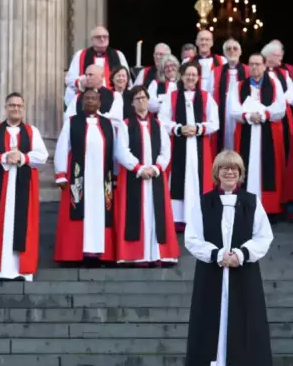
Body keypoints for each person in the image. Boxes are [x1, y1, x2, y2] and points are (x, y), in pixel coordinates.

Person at [181, 150, 276, 366]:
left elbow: (263, 237)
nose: (229, 172)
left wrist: (241, 255)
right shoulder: (203, 203)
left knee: (242, 329)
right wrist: (216, 254)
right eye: (224, 168)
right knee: (213, 331)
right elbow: (192, 238)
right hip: (211, 275)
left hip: (243, 274)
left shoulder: (251, 202)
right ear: (216, 172)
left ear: (240, 173)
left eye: (234, 168)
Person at [0, 92, 49, 281]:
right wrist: (3, 157)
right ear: (5, 108)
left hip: (24, 187)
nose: (15, 108)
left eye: (19, 106)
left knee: (22, 226)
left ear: (23, 109)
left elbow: (42, 156)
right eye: (12, 105)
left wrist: (23, 157)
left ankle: (20, 271)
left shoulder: (32, 131)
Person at [115, 86, 180, 266]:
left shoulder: (158, 124)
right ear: (132, 103)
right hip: (134, 178)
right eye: (137, 98)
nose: (141, 101)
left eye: (144, 98)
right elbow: (121, 150)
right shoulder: (125, 124)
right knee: (135, 215)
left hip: (155, 177)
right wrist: (138, 168)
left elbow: (166, 150)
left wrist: (157, 168)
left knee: (156, 214)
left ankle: (158, 254)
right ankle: (137, 255)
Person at [54, 88, 116, 265]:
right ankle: (75, 253)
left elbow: (115, 150)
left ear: (99, 102)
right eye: (87, 98)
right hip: (79, 176)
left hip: (102, 177)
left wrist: (116, 175)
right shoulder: (72, 122)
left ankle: (99, 254)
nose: (90, 101)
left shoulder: (107, 123)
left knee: (100, 213)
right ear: (81, 103)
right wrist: (61, 174)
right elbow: (62, 147)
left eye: (93, 98)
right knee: (79, 211)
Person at [158, 62, 219, 229]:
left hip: (200, 146)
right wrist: (179, 129)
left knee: (198, 179)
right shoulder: (172, 96)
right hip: (178, 145)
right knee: (178, 180)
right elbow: (162, 121)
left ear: (198, 77)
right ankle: (177, 219)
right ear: (181, 76)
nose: (190, 77)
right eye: (187, 74)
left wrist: (198, 128)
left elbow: (215, 122)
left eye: (194, 74)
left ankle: (199, 218)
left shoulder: (206, 97)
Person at [230, 53, 286, 215]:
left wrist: (263, 115)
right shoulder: (239, 86)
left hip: (267, 132)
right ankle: (246, 204)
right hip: (246, 132)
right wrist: (248, 116)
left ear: (264, 66)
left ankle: (269, 208)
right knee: (246, 167)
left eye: (258, 64)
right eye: (251, 64)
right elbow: (233, 110)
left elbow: (280, 108)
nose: (254, 67)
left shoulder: (274, 84)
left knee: (268, 169)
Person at [262, 41, 293, 214]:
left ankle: (286, 198)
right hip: (267, 118)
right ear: (268, 57)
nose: (281, 58)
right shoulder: (260, 73)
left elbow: (292, 92)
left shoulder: (284, 73)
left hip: (284, 117)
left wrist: (281, 101)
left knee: (286, 154)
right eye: (277, 55)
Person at [64, 26, 129, 109]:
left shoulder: (118, 55)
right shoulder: (80, 55)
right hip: (87, 101)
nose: (102, 39)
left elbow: (127, 79)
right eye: (98, 37)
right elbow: (69, 79)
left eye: (105, 37)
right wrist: (80, 82)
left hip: (112, 100)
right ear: (92, 39)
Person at [212, 38, 249, 151]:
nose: (232, 51)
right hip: (222, 113)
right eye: (228, 49)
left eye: (235, 48)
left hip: (241, 113)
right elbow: (210, 96)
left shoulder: (248, 71)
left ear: (240, 52)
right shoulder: (215, 72)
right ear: (224, 53)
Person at [190, 30, 226, 94]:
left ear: (212, 43)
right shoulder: (188, 61)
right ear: (196, 42)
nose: (204, 42)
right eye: (201, 39)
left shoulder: (223, 60)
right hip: (195, 98)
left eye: (207, 40)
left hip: (215, 98)